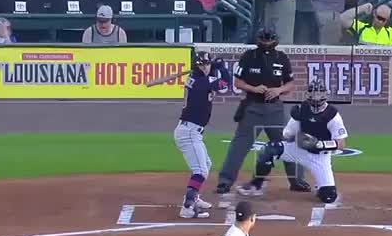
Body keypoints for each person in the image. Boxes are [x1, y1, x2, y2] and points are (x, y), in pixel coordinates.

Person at [215, 28, 307, 194]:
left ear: (275, 40)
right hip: (252, 107)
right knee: (239, 146)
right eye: (264, 40)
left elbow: (290, 84)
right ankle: (225, 181)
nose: (266, 43)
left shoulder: (282, 57)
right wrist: (254, 88)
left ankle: (297, 181)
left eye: (269, 40)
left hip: (275, 109)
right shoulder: (249, 56)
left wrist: (278, 91)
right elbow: (238, 82)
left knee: (288, 144)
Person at [237, 76, 349, 205]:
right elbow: (286, 135)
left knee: (328, 197)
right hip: (299, 149)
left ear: (324, 94)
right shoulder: (302, 109)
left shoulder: (332, 115)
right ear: (308, 94)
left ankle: (321, 185)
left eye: (319, 93)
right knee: (269, 149)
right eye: (313, 93)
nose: (316, 97)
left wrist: (318, 144)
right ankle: (255, 185)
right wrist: (296, 121)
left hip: (319, 157)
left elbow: (341, 144)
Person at [149, 51, 231, 217]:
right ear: (197, 65)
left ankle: (195, 196)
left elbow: (212, 79)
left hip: (192, 131)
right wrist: (223, 68)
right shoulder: (202, 82)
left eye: (208, 64)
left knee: (205, 165)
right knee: (200, 170)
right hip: (189, 132)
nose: (206, 67)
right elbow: (225, 85)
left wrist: (213, 67)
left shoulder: (196, 78)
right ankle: (187, 207)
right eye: (203, 64)